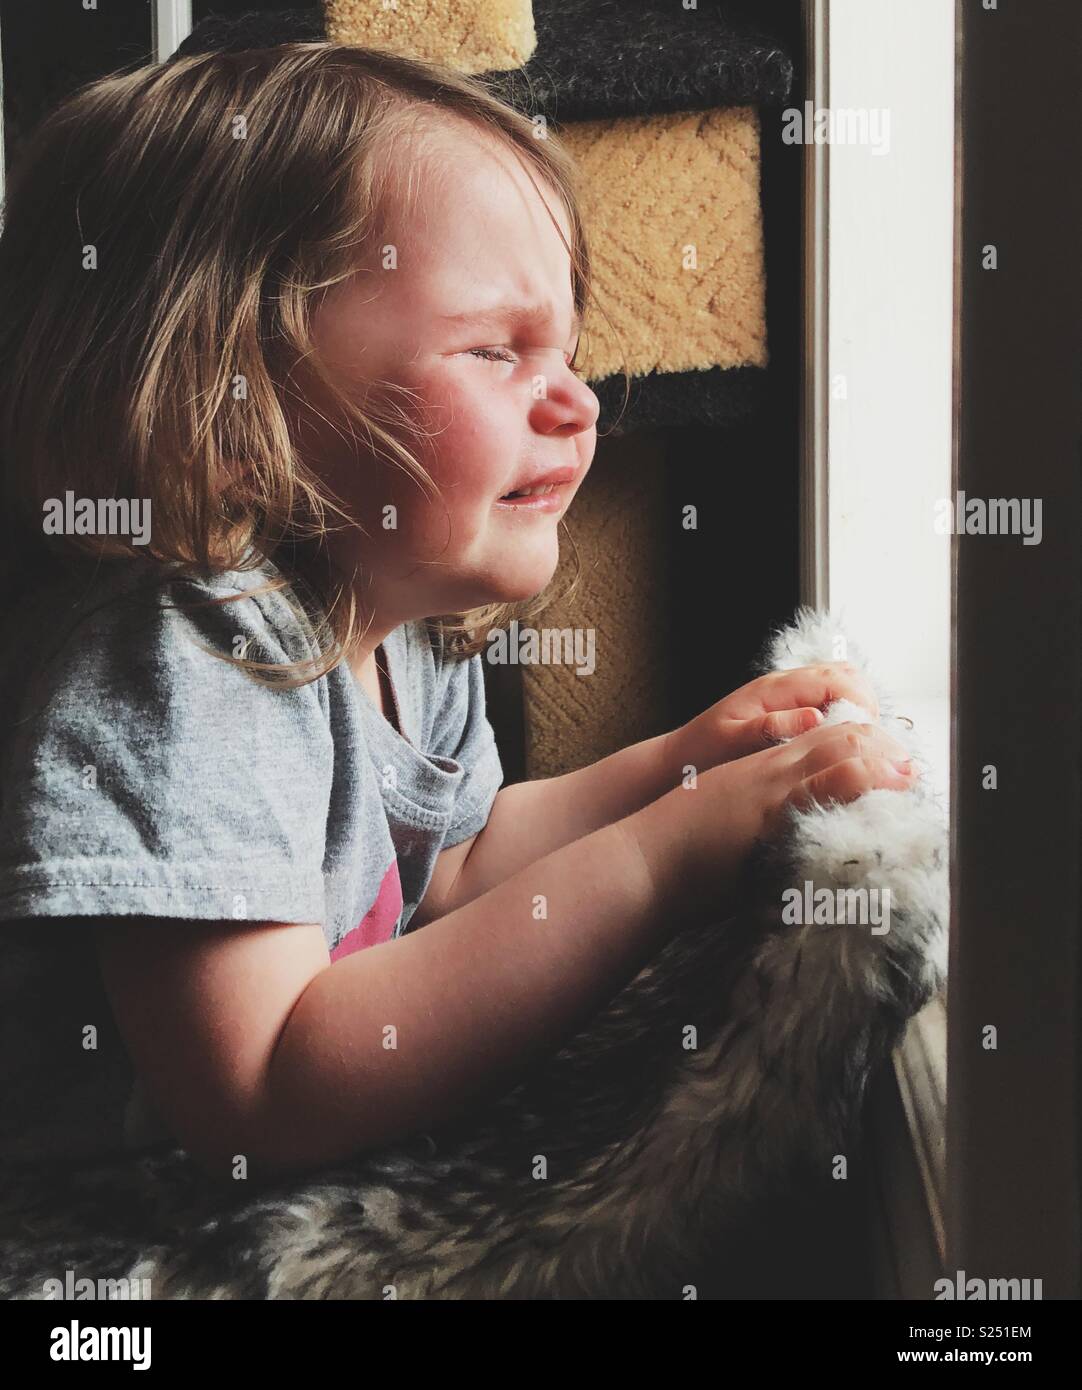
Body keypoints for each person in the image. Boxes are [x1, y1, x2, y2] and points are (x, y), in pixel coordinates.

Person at [0, 43, 917, 1183]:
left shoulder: (396, 624)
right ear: (233, 398)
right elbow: (262, 1084)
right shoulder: (187, 662)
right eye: (494, 348)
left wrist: (683, 769)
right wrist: (666, 855)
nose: (577, 403)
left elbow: (460, 871)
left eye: (568, 352)